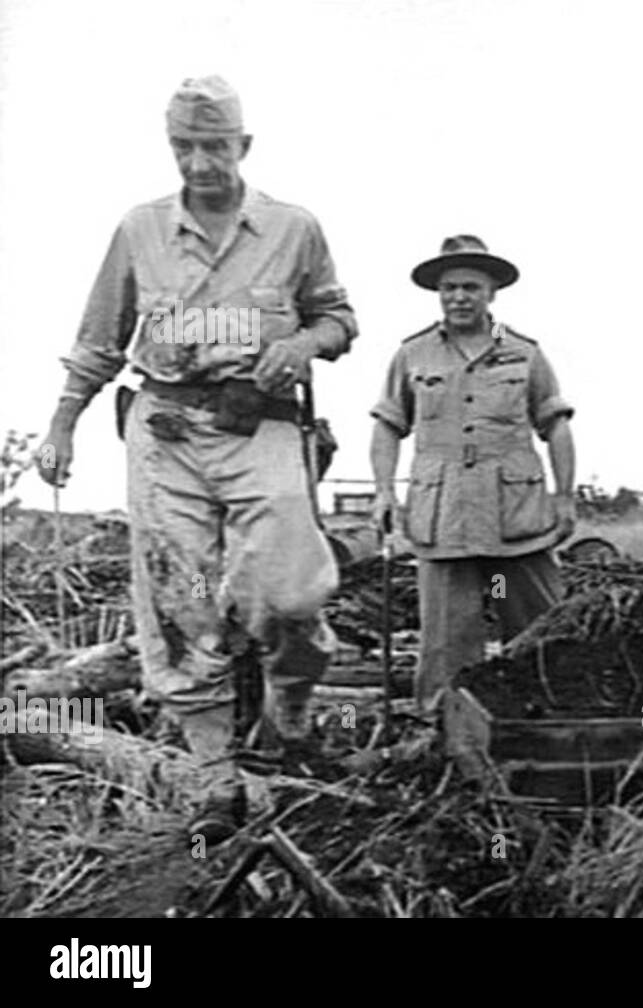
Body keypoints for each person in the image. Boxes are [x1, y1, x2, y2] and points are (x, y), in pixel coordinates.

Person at [37, 76, 358, 842]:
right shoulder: (140, 230)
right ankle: (214, 774)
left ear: (243, 146)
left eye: (214, 146)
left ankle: (291, 711)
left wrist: (302, 344)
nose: (199, 162)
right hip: (166, 436)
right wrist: (61, 426)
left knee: (290, 594)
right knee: (180, 603)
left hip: (260, 426)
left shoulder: (292, 228)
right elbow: (98, 340)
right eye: (184, 146)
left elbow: (339, 317)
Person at [369, 236, 575, 709]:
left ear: (491, 293)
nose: (459, 297)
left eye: (470, 287)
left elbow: (556, 425)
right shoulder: (413, 354)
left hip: (516, 519)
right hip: (445, 520)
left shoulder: (524, 352)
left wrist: (565, 497)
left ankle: (547, 720)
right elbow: (387, 426)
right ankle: (444, 730)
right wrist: (383, 493)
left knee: (540, 631)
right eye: (449, 288)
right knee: (447, 642)